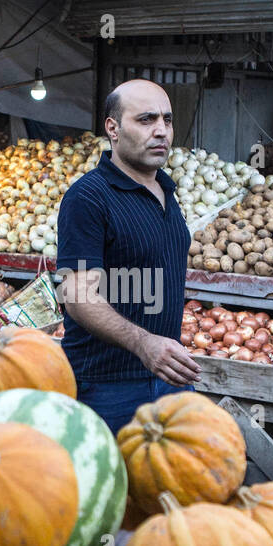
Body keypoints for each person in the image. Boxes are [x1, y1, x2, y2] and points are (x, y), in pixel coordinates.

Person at [56, 79, 201, 433]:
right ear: (113, 128)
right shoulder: (88, 198)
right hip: (107, 388)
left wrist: (159, 350)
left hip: (169, 377)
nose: (161, 131)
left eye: (167, 120)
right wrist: (144, 343)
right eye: (147, 120)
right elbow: (77, 297)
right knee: (113, 487)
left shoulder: (166, 188)